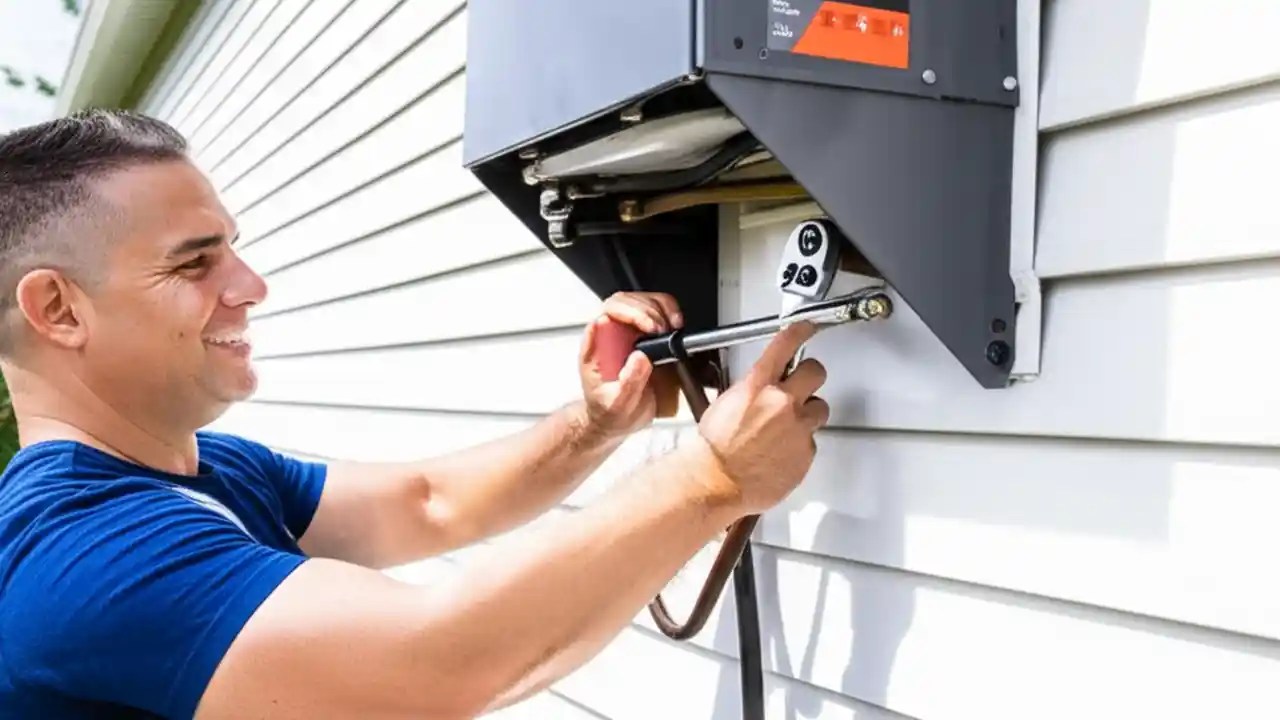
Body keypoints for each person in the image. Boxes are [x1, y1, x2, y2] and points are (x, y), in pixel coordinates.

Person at [0, 109, 830, 719]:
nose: (250, 286)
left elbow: (430, 503)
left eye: (233, 249)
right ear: (59, 310)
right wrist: (712, 479)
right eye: (194, 264)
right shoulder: (83, 553)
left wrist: (596, 426)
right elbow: (440, 668)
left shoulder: (204, 469)